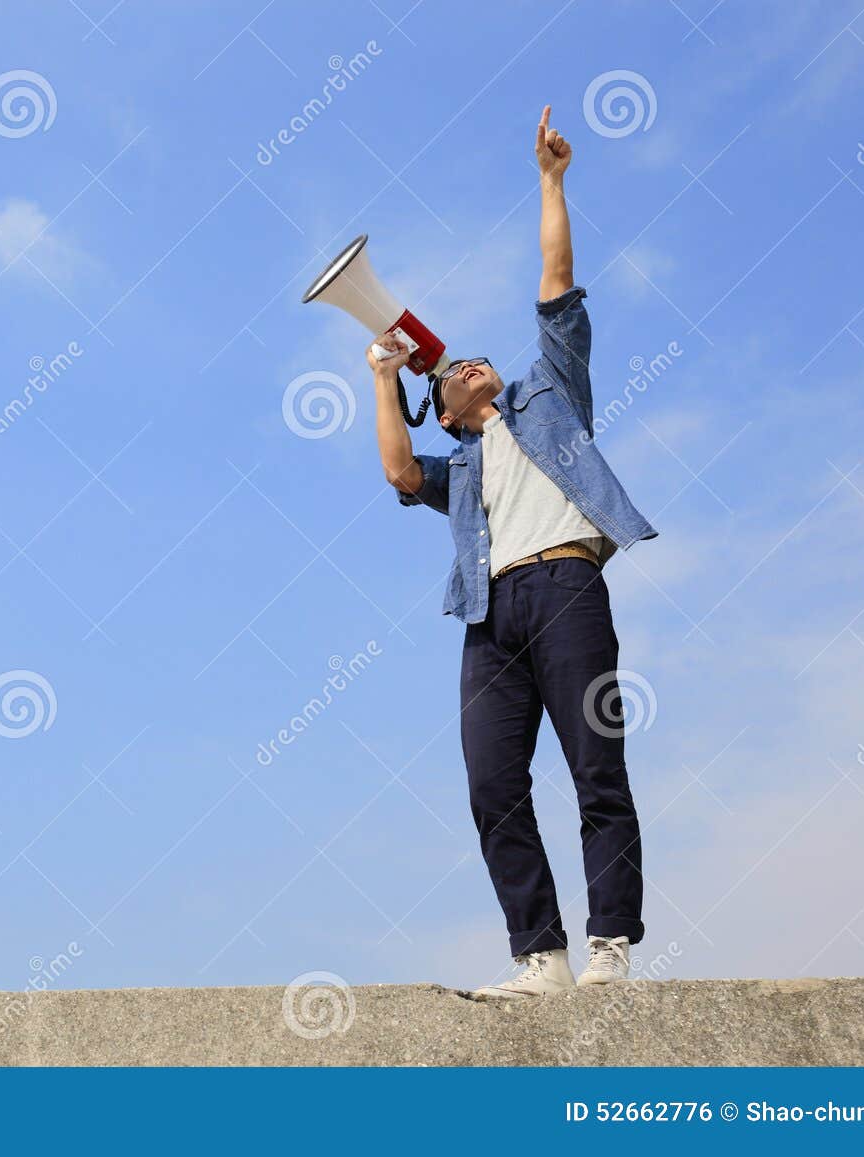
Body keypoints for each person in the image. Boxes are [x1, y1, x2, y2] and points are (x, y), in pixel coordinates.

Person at [371, 106, 658, 1000]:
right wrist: (384, 377)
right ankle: (540, 956)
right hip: (490, 618)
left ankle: (610, 942)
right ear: (445, 412)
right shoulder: (457, 471)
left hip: (569, 589)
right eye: (453, 374)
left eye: (478, 361)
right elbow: (394, 468)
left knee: (596, 768)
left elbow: (557, 280)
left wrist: (550, 180)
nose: (469, 365)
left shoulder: (550, 395)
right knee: (493, 785)